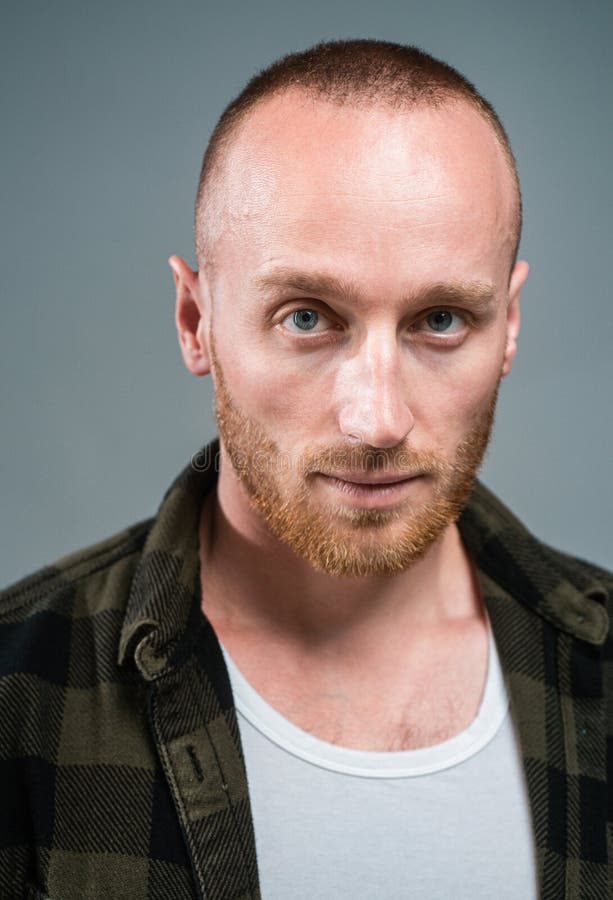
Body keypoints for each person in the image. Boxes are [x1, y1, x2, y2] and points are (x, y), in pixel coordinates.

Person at [1, 39, 611, 900]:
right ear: (194, 319)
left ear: (507, 325)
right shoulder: (18, 694)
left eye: (440, 320)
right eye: (305, 319)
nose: (378, 419)